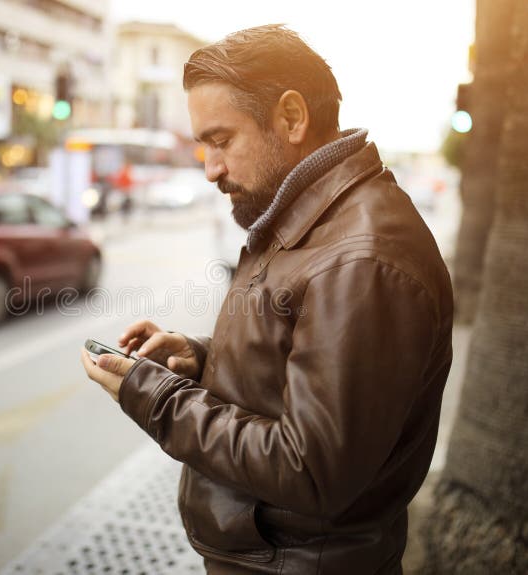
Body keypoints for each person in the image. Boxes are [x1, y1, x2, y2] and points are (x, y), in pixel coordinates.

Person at [81, 24, 453, 575]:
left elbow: (311, 469)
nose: (210, 168)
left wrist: (157, 399)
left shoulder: (362, 260)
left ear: (292, 117)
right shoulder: (307, 216)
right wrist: (203, 359)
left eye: (221, 140)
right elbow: (304, 367)